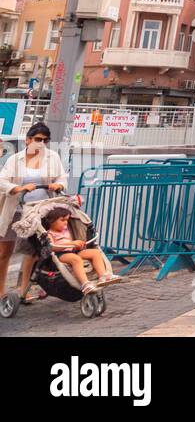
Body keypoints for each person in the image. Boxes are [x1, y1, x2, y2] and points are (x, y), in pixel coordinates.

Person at [0, 122, 67, 303]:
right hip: (16, 209)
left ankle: (23, 291)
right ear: (27, 140)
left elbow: (62, 176)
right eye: (38, 139)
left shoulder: (52, 157)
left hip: (40, 211)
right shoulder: (15, 159)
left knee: (33, 252)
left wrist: (59, 184)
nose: (41, 143)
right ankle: (1, 291)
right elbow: (2, 181)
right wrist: (19, 188)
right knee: (4, 252)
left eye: (45, 140)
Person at [43, 207, 120, 294]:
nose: (66, 222)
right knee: (76, 259)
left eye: (67, 220)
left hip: (73, 251)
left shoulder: (66, 231)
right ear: (52, 221)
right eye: (62, 220)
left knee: (95, 253)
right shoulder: (49, 233)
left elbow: (71, 244)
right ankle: (85, 284)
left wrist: (78, 245)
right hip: (60, 254)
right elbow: (53, 247)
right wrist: (72, 243)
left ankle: (104, 276)